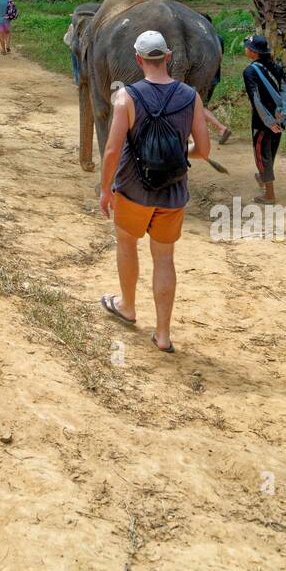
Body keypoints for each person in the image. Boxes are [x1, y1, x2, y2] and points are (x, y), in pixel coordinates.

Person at [98, 30, 211, 354]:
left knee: (127, 244)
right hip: (173, 194)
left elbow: (111, 150)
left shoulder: (126, 98)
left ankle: (128, 307)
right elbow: (203, 150)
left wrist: (106, 190)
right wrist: (176, 152)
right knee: (164, 258)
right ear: (168, 56)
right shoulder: (191, 97)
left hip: (132, 190)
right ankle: (163, 335)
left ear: (138, 59)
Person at [243, 33, 286, 205]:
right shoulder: (276, 67)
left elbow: (255, 99)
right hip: (280, 118)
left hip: (263, 122)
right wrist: (281, 112)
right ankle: (263, 177)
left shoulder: (249, 72)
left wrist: (269, 121)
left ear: (254, 53)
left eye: (247, 47)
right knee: (270, 152)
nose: (245, 49)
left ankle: (269, 195)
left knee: (262, 156)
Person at [202, 14, 231, 144]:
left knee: (198, 106)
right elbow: (220, 58)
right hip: (215, 76)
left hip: (203, 78)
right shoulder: (218, 38)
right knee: (202, 105)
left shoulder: (200, 38)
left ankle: (222, 128)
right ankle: (200, 134)